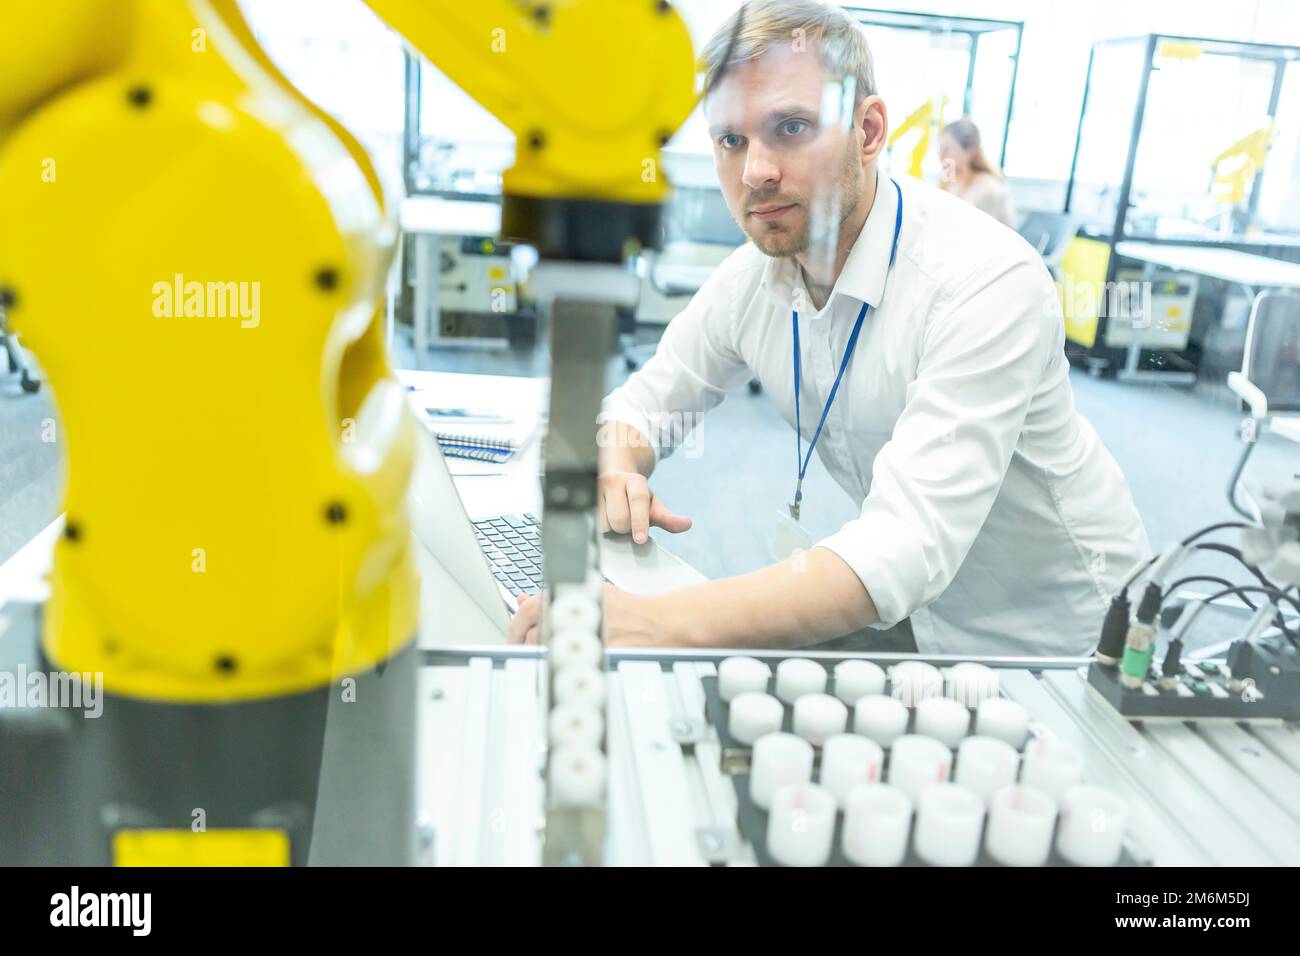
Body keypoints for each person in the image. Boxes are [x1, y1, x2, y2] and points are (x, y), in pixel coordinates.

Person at [508, 0, 1149, 657]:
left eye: (790, 126)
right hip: (911, 607)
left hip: (1062, 641)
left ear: (869, 131)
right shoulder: (754, 277)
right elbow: (643, 406)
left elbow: (902, 544)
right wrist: (617, 462)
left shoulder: (983, 280)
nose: (754, 170)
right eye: (731, 139)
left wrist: (662, 621)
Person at [938, 117, 1018, 227]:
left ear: (969, 152)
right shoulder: (950, 182)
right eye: (939, 148)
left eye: (947, 148)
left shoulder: (989, 190)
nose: (941, 155)